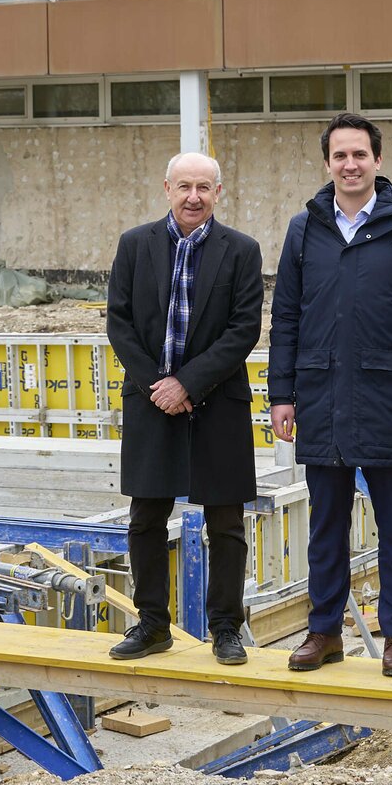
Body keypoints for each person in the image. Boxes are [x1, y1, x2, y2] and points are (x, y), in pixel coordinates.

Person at [269, 113, 392, 679]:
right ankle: (323, 630)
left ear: (378, 161)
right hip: (321, 395)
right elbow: (287, 318)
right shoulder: (305, 229)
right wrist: (282, 394)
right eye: (340, 156)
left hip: (389, 397)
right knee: (326, 522)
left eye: (360, 155)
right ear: (328, 164)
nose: (350, 165)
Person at [105, 152, 265, 664]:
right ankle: (152, 624)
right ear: (166, 189)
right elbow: (119, 322)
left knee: (226, 522)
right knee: (146, 517)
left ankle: (225, 628)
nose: (193, 197)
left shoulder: (241, 250)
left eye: (203, 187)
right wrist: (160, 384)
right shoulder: (135, 246)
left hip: (217, 399)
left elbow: (243, 328)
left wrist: (188, 385)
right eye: (184, 187)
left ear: (219, 192)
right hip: (151, 400)